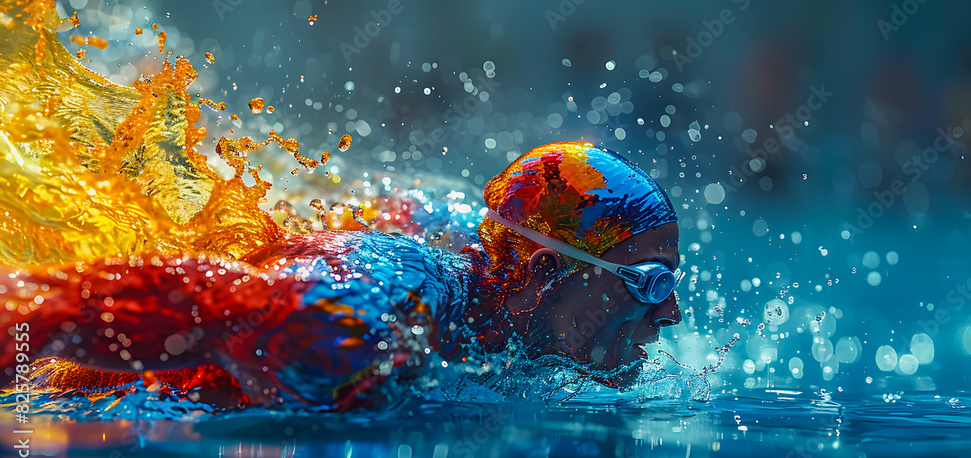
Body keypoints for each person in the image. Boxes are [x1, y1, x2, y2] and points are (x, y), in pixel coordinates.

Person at [1, 141, 680, 411]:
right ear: (548, 272)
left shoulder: (507, 329)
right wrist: (27, 314)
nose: (671, 312)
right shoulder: (397, 297)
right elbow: (229, 306)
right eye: (648, 281)